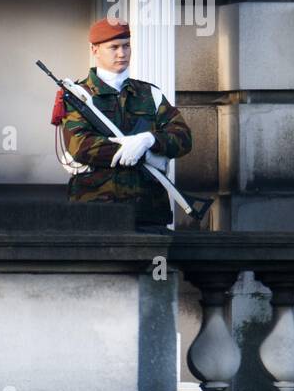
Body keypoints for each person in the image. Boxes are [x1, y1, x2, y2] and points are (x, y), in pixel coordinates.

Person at [54, 16, 192, 232]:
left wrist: (148, 140)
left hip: (148, 210)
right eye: (114, 47)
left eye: (126, 46)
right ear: (95, 50)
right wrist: (134, 150)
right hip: (94, 209)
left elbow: (183, 137)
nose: (122, 53)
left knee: (153, 265)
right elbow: (80, 146)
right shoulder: (77, 96)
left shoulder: (150, 94)